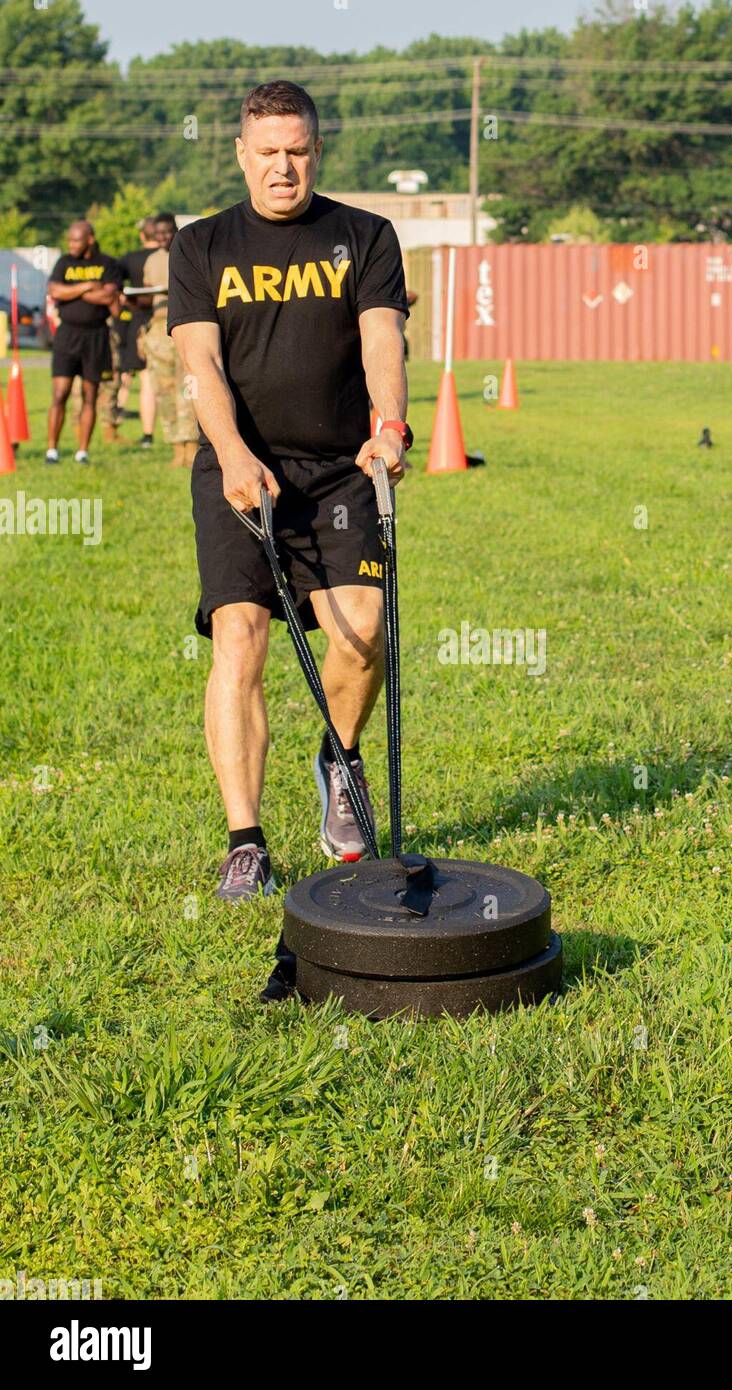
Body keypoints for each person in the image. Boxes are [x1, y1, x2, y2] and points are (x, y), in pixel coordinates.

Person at [169, 80, 411, 986]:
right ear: (241, 153)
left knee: (363, 633)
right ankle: (245, 840)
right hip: (239, 464)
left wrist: (390, 424)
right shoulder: (202, 246)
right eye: (268, 150)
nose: (284, 165)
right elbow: (201, 364)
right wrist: (230, 452)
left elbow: (382, 339)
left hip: (345, 467)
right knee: (240, 635)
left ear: (319, 149)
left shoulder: (365, 237)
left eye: (299, 149)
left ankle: (338, 761)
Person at [45, 221, 123, 465]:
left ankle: (82, 451)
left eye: (76, 240)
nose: (71, 244)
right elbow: (54, 291)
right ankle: (52, 450)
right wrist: (88, 286)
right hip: (67, 335)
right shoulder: (64, 262)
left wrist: (72, 292)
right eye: (69, 240)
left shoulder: (108, 264)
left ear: (90, 239)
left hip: (96, 336)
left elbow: (109, 295)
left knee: (90, 395)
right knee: (60, 394)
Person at [139, 212, 199, 467]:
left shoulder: (189, 251)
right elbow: (145, 298)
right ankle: (176, 447)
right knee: (163, 391)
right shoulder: (151, 260)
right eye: (157, 233)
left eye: (166, 231)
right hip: (158, 328)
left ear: (174, 229)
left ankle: (193, 446)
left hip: (185, 327)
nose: (162, 237)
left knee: (189, 389)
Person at [117, 216, 161, 449]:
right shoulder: (169, 257)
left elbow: (114, 280)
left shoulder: (130, 259)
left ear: (143, 235)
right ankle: (151, 434)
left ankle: (142, 432)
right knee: (151, 380)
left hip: (137, 323)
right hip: (164, 320)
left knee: (134, 374)